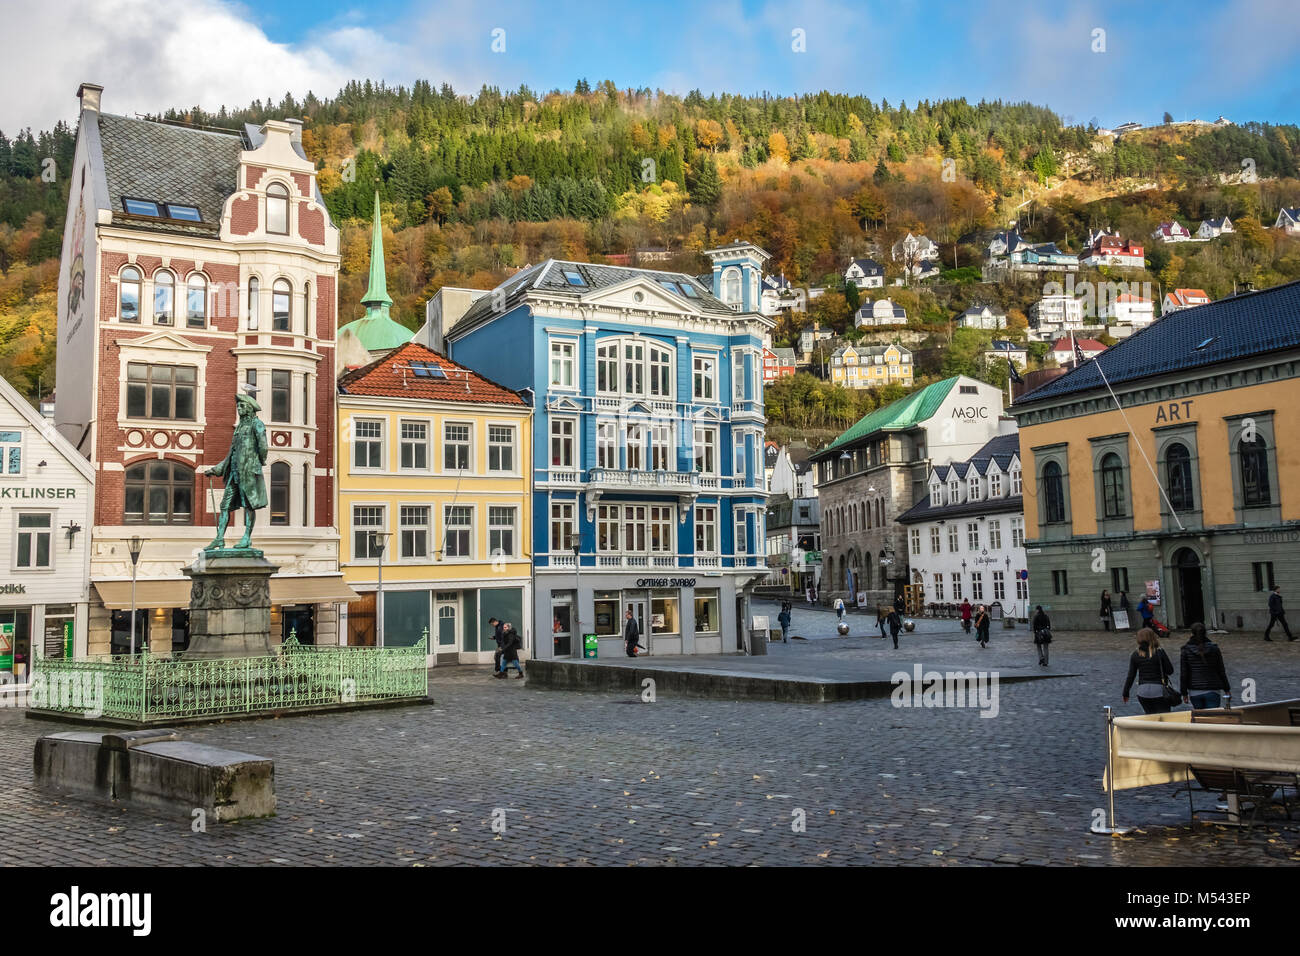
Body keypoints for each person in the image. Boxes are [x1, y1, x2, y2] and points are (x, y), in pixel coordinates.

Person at [1122, 628, 1175, 714]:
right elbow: (1170, 671)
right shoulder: (1160, 652)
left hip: (1143, 691)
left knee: (1150, 717)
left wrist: (1125, 693)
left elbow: (1131, 676)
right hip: (1159, 690)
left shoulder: (1135, 654)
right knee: (1164, 718)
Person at [1180, 622, 1228, 709]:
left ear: (1192, 633)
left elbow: (1184, 674)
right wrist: (1227, 689)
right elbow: (1221, 670)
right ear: (1205, 633)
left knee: (1200, 718)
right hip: (1212, 689)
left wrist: (1184, 693)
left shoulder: (1186, 650)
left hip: (1194, 690)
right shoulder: (1214, 649)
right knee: (1212, 719)